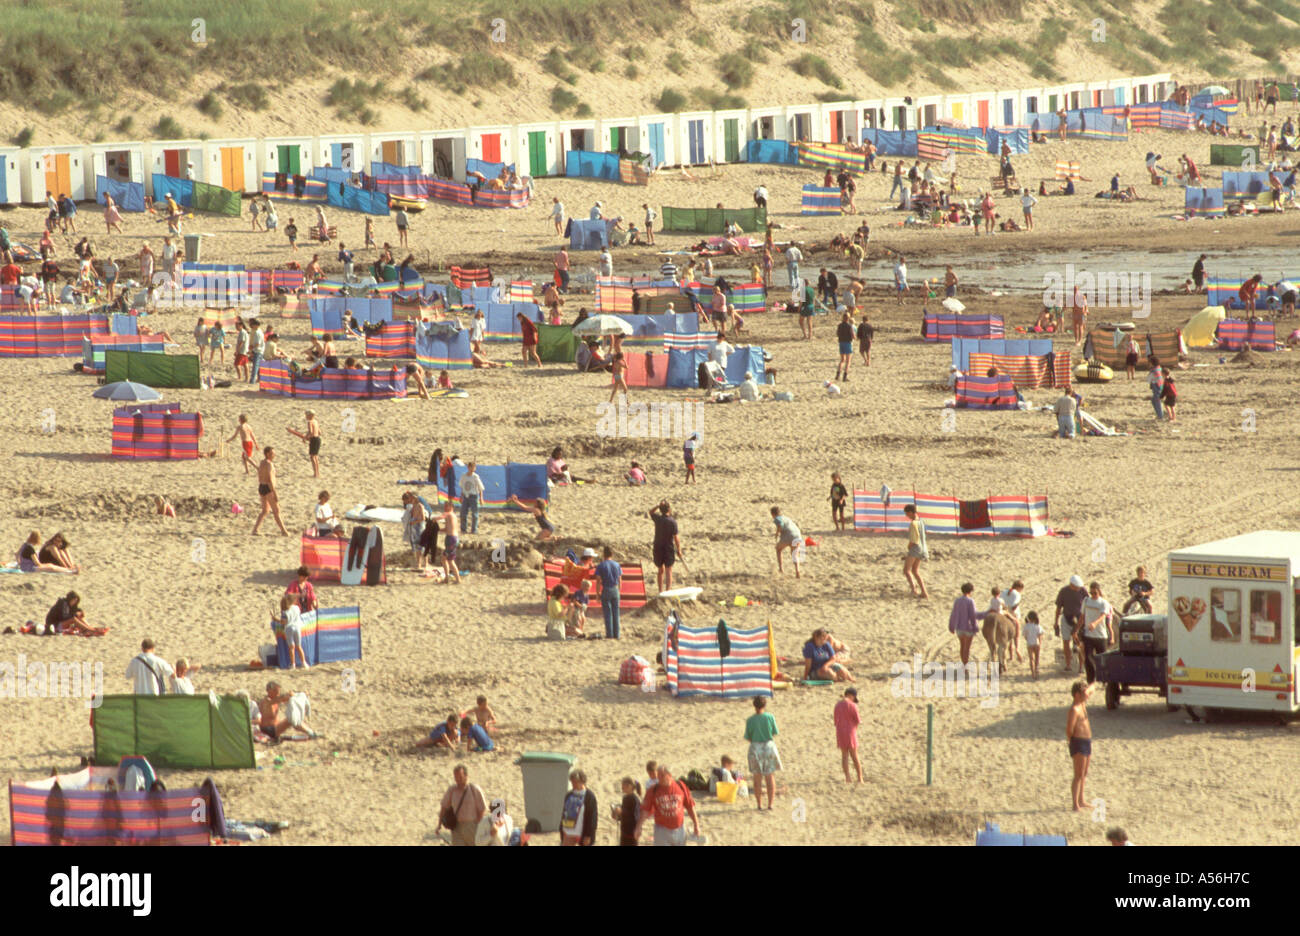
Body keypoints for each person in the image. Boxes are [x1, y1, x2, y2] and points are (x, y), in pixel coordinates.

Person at [638, 766, 700, 846]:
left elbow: (690, 806)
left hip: (680, 829)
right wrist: (639, 826)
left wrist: (696, 824)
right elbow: (645, 810)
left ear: (669, 775)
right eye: (658, 776)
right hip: (662, 830)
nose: (659, 778)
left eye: (662, 776)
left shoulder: (680, 786)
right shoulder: (653, 790)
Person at [743, 696, 782, 810]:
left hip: (755, 747)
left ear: (754, 706)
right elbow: (774, 732)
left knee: (757, 778)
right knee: (770, 777)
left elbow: (748, 736)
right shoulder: (770, 717)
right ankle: (770, 804)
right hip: (768, 746)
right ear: (764, 705)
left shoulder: (750, 720)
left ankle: (759, 804)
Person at [437, 765, 487, 847]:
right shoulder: (452, 790)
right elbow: (444, 807)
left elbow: (482, 809)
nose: (457, 780)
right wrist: (439, 824)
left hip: (472, 826)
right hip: (457, 826)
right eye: (456, 777)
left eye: (460, 777)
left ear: (466, 776)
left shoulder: (475, 789)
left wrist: (478, 825)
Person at [1067, 681, 1094, 812]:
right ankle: (1075, 804)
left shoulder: (1082, 703)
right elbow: (1069, 730)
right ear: (1077, 695)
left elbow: (1090, 690)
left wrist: (1093, 683)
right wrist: (1072, 743)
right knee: (1078, 774)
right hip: (1078, 742)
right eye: (1083, 693)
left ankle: (1082, 800)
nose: (1086, 695)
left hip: (1087, 741)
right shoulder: (1074, 710)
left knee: (1084, 773)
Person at [1079, 582, 1115, 683]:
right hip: (1088, 635)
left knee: (1102, 659)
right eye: (1091, 593)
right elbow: (1082, 616)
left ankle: (1104, 680)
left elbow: (1103, 616)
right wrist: (1076, 630)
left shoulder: (1104, 603)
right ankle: (1091, 680)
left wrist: (1094, 624)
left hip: (1100, 636)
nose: (1093, 595)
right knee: (1088, 658)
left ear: (1099, 591)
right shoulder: (1086, 601)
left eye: (1095, 593)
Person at [251, 447, 290, 536]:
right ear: (268, 454)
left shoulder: (262, 462)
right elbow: (270, 480)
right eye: (272, 453)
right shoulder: (269, 465)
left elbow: (259, 474)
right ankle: (284, 531)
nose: (274, 455)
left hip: (261, 486)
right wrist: (275, 493)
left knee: (265, 510)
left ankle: (255, 530)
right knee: (276, 511)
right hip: (268, 488)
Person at [1055, 574, 1087, 674]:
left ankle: (1081, 667)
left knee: (1080, 643)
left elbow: (1088, 604)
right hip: (1066, 618)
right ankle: (1068, 665)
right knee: (1065, 641)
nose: (1078, 588)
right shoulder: (1063, 591)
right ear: (1071, 585)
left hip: (1079, 620)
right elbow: (1058, 608)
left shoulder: (1083, 591)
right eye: (1076, 587)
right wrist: (1055, 622)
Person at [647, 501, 683, 592]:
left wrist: (657, 506)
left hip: (658, 547)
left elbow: (650, 512)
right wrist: (679, 549)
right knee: (668, 570)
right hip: (668, 548)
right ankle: (667, 590)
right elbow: (676, 538)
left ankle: (660, 591)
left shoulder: (658, 519)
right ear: (669, 509)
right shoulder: (672, 522)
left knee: (660, 570)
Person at [560, 769, 598, 846]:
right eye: (572, 782)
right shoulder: (569, 795)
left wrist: (588, 835)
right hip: (568, 832)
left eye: (575, 782)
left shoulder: (589, 796)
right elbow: (564, 813)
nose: (573, 784)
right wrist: (561, 829)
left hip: (583, 833)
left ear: (582, 781)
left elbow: (592, 818)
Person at [834, 687, 862, 784]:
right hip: (850, 732)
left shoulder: (837, 705)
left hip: (840, 732)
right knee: (854, 755)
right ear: (852, 696)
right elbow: (858, 721)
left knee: (844, 755)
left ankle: (848, 778)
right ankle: (860, 778)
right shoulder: (853, 705)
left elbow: (835, 721)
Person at [595, 546, 623, 639]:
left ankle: (610, 634)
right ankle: (617, 634)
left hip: (606, 588)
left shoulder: (601, 565)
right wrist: (619, 590)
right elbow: (620, 579)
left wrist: (598, 593)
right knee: (616, 612)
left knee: (608, 613)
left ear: (604, 554)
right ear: (612, 554)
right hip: (615, 589)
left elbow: (598, 581)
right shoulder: (616, 564)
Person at [949, 582, 980, 664]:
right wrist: (975, 627)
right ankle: (965, 667)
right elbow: (973, 615)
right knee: (967, 648)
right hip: (968, 627)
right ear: (970, 591)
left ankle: (963, 664)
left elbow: (953, 613)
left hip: (959, 627)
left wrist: (951, 626)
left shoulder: (957, 601)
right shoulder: (970, 601)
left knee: (962, 646)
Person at [769, 505, 803, 578]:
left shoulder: (777, 518)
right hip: (797, 535)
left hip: (788, 536)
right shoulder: (786, 518)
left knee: (778, 549)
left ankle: (781, 569)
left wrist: (777, 533)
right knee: (795, 554)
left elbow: (780, 524)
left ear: (773, 514)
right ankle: (797, 571)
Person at [903, 504, 928, 598]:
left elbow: (913, 539)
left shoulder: (913, 523)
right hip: (923, 548)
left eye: (907, 514)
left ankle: (914, 589)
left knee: (906, 570)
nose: (906, 516)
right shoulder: (921, 521)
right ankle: (924, 592)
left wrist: (909, 547)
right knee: (915, 571)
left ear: (910, 512)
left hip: (915, 548)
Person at [277, 594, 309, 669]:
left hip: (289, 628)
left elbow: (283, 622)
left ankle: (293, 664)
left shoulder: (285, 612)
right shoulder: (297, 608)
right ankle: (304, 663)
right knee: (299, 646)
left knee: (292, 647)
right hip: (297, 627)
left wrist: (275, 619)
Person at [616, 778, 643, 846]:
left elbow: (635, 817)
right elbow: (624, 813)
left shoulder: (634, 799)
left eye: (623, 785)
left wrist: (622, 812)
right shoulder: (625, 797)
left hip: (632, 832)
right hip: (624, 831)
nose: (622, 787)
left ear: (629, 786)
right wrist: (617, 815)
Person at [440, 501, 461, 585]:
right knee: (443, 558)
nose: (445, 508)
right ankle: (447, 577)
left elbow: (438, 518)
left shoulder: (449, 515)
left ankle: (458, 579)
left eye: (446, 506)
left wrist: (432, 520)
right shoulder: (451, 516)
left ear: (451, 507)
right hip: (451, 538)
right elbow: (447, 528)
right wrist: (437, 529)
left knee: (450, 560)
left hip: (451, 539)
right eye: (444, 506)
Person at [1024, 611, 1043, 679]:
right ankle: (1036, 669)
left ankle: (1033, 674)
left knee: (1031, 659)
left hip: (1030, 644)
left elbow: (1025, 636)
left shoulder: (1026, 626)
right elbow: (1040, 635)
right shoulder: (1038, 626)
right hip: (1036, 643)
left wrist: (1028, 639)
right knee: (1037, 658)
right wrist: (1040, 642)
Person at [1147, 355, 1165, 420]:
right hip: (1161, 387)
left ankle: (1160, 416)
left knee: (1157, 402)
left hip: (1157, 388)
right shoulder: (1159, 368)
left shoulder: (1153, 371)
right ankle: (1160, 415)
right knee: (1154, 401)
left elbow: (1148, 380)